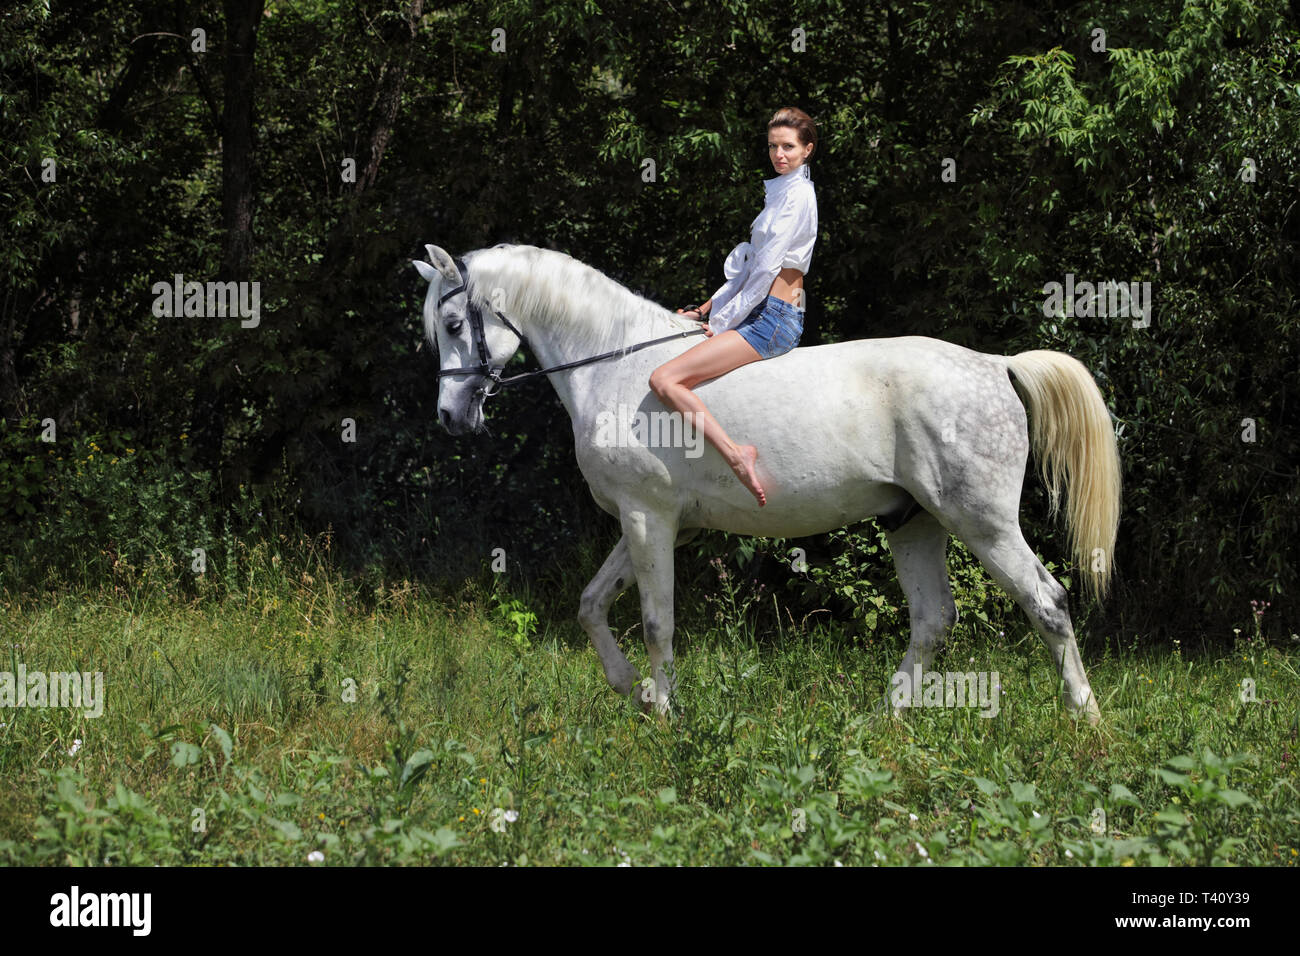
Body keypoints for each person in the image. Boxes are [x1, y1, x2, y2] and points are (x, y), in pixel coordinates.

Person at [649, 107, 818, 507]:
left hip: (773, 319)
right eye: (774, 146)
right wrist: (705, 309)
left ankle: (736, 456)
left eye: (789, 147)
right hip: (761, 311)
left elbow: (765, 271)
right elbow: (747, 269)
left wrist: (723, 323)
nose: (780, 154)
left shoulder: (796, 196)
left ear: (807, 150)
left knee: (665, 380)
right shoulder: (780, 191)